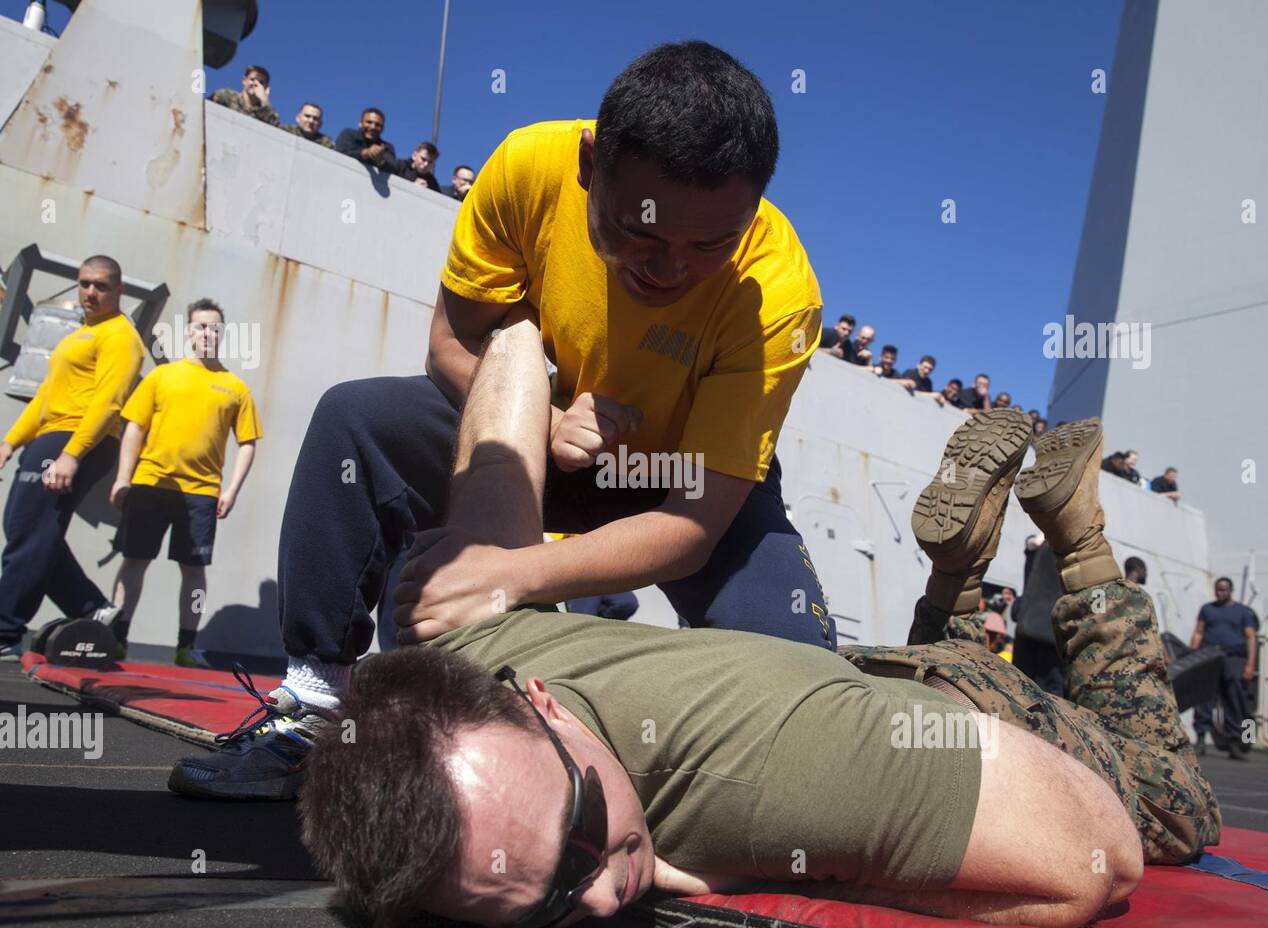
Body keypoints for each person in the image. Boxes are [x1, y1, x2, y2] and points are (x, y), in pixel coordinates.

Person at [295, 347, 1219, 928]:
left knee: (1169, 803)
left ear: (540, 706)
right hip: (861, 694)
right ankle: (956, 578)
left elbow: (1098, 856)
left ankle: (1080, 539)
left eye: (579, 832)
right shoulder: (460, 637)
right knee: (932, 689)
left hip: (950, 727)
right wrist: (547, 431)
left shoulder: (772, 782)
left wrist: (711, 873)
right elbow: (509, 351)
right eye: (540, 909)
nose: (607, 894)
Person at [167, 40, 837, 801]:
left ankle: (674, 769)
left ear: (749, 212)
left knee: (799, 687)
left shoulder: (778, 292)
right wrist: (547, 427)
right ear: (590, 164)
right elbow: (451, 345)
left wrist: (509, 577)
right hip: (538, 441)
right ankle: (316, 709)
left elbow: (692, 526)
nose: (669, 268)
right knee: (355, 420)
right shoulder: (527, 168)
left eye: (707, 244)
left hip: (678, 481)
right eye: (638, 231)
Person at [0, 256, 146, 659]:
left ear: (119, 291)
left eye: (100, 286)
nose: (90, 293)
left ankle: (5, 631)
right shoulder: (78, 336)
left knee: (29, 532)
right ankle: (93, 610)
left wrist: (72, 455)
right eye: (84, 284)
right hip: (51, 437)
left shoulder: (121, 336)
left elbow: (110, 402)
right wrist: (10, 442)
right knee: (28, 530)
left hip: (80, 439)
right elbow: (46, 396)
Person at [105, 299, 262, 666]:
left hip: (201, 493)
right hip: (149, 485)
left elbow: (248, 443)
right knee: (134, 559)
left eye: (213, 328)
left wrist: (232, 490)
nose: (206, 333)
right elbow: (134, 429)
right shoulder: (162, 377)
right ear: (189, 332)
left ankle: (185, 647)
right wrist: (123, 479)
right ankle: (116, 639)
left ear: (223, 335)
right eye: (200, 326)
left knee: (194, 570)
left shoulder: (235, 388)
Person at [1189, 577, 1258, 759]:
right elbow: (1198, 632)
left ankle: (1235, 743)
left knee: (1235, 700)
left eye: (1224, 590)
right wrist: (1191, 658)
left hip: (1234, 658)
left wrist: (1250, 665)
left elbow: (1251, 638)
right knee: (1203, 699)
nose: (1220, 593)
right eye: (1218, 590)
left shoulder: (1243, 612)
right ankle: (1201, 740)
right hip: (1209, 657)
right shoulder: (1207, 609)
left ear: (1231, 590)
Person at [211, 65, 280, 127]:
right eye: (252, 79)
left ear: (266, 88)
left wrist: (264, 100)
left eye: (261, 82)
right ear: (244, 81)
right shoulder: (227, 96)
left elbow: (274, 127)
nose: (255, 83)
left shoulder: (264, 112)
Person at [335, 108, 399, 174]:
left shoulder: (386, 147)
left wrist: (380, 161)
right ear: (360, 123)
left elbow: (394, 169)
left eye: (378, 125)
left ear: (382, 128)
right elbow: (340, 153)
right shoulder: (348, 134)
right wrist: (366, 153)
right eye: (369, 122)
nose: (373, 127)